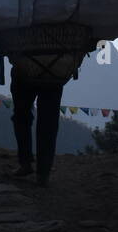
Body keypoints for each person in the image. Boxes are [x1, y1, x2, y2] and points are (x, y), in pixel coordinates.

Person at [7, 45, 87, 187]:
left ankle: (25, 163)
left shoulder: (17, 24)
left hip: (23, 72)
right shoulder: (66, 30)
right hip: (55, 73)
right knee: (48, 122)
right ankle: (43, 173)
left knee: (21, 116)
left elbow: (0, 44)